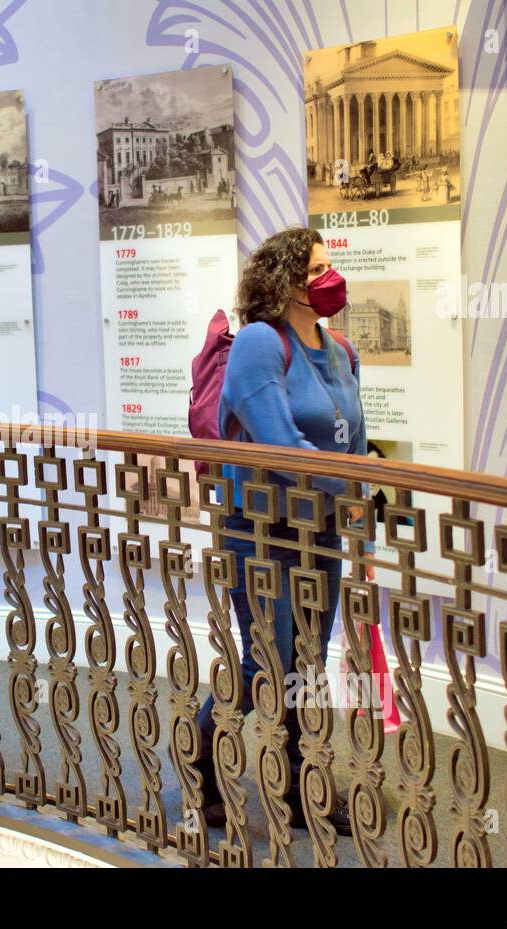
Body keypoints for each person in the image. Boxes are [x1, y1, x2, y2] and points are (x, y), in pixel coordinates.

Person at [193, 226, 372, 834]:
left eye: (330, 266)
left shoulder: (341, 349)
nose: (331, 279)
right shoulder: (258, 346)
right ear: (286, 282)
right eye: (317, 269)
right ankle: (202, 766)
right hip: (259, 526)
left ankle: (300, 786)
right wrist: (347, 487)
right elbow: (281, 445)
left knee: (309, 661)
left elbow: (352, 436)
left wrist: (358, 506)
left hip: (317, 527)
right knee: (263, 662)